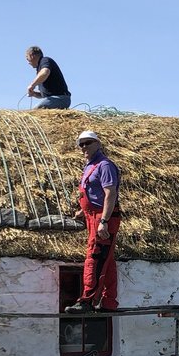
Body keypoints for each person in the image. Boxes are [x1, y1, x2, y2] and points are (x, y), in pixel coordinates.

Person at [65, 130, 121, 312]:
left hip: (103, 217)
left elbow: (110, 194)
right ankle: (109, 302)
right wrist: (84, 210)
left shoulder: (105, 165)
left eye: (87, 143)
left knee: (95, 256)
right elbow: (92, 192)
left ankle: (86, 301)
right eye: (80, 144)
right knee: (107, 260)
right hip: (92, 216)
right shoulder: (90, 166)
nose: (83, 147)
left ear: (98, 143)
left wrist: (103, 221)